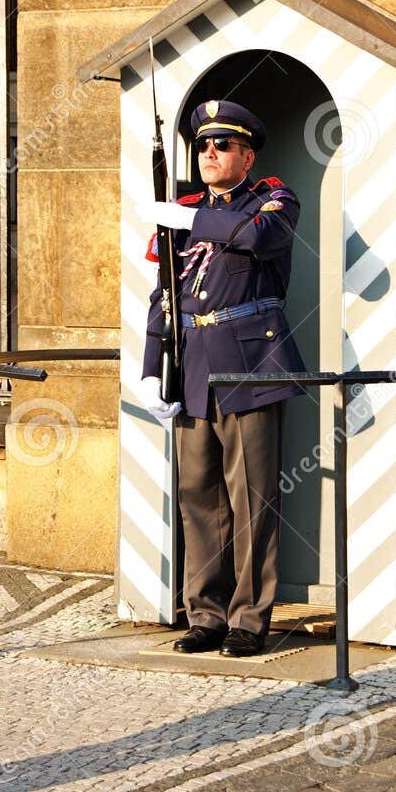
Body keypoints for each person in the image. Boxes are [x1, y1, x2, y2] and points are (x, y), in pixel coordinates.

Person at [140, 99, 304, 657]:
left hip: (253, 366)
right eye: (204, 146)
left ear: (247, 155)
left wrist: (192, 219)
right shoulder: (184, 210)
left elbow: (259, 239)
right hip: (195, 369)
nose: (210, 153)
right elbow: (166, 293)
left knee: (252, 497)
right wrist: (151, 367)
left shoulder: (275, 202)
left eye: (223, 145)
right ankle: (206, 613)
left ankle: (250, 617)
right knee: (198, 495)